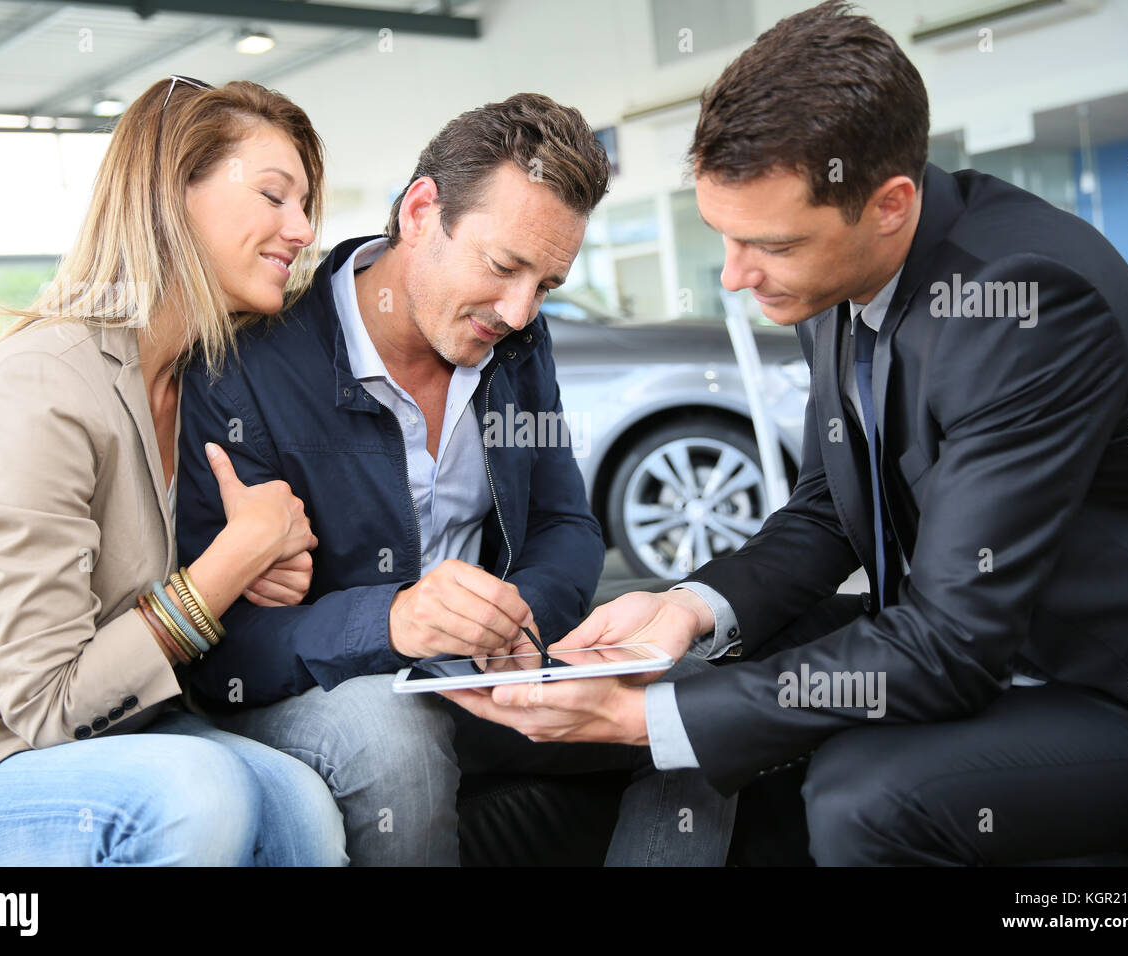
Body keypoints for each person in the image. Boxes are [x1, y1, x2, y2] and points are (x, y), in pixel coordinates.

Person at [447, 1, 1128, 865]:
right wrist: (686, 610)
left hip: (1117, 690)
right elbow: (828, 510)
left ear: (890, 204)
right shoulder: (836, 276)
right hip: (959, 633)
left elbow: (953, 643)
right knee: (666, 665)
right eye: (724, 237)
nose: (734, 276)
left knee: (859, 796)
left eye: (769, 244)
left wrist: (648, 718)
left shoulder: (1023, 305)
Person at [176, 92, 737, 866]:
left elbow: (564, 524)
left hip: (479, 676)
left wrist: (518, 621)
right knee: (391, 735)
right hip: (324, 695)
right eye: (503, 266)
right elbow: (222, 652)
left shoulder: (519, 342)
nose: (519, 310)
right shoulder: (245, 369)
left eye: (546, 285)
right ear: (419, 212)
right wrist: (392, 622)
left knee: (699, 702)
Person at [0, 76, 347, 866]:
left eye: (305, 205)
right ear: (173, 195)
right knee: (196, 793)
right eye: (275, 196)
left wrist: (264, 565)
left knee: (300, 807)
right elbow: (47, 705)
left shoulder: (201, 383)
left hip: (135, 732)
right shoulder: (43, 382)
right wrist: (232, 561)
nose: (302, 229)